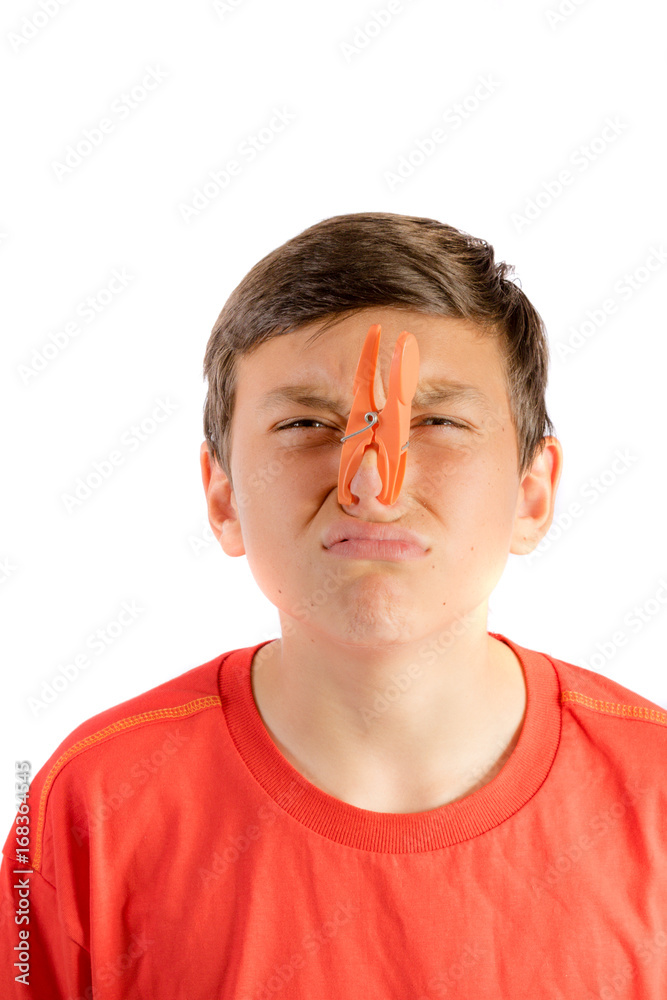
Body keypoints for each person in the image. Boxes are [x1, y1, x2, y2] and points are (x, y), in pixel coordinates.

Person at [2, 212, 666, 999]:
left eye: (439, 422)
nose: (369, 489)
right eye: (306, 424)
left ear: (532, 494)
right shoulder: (90, 806)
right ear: (222, 498)